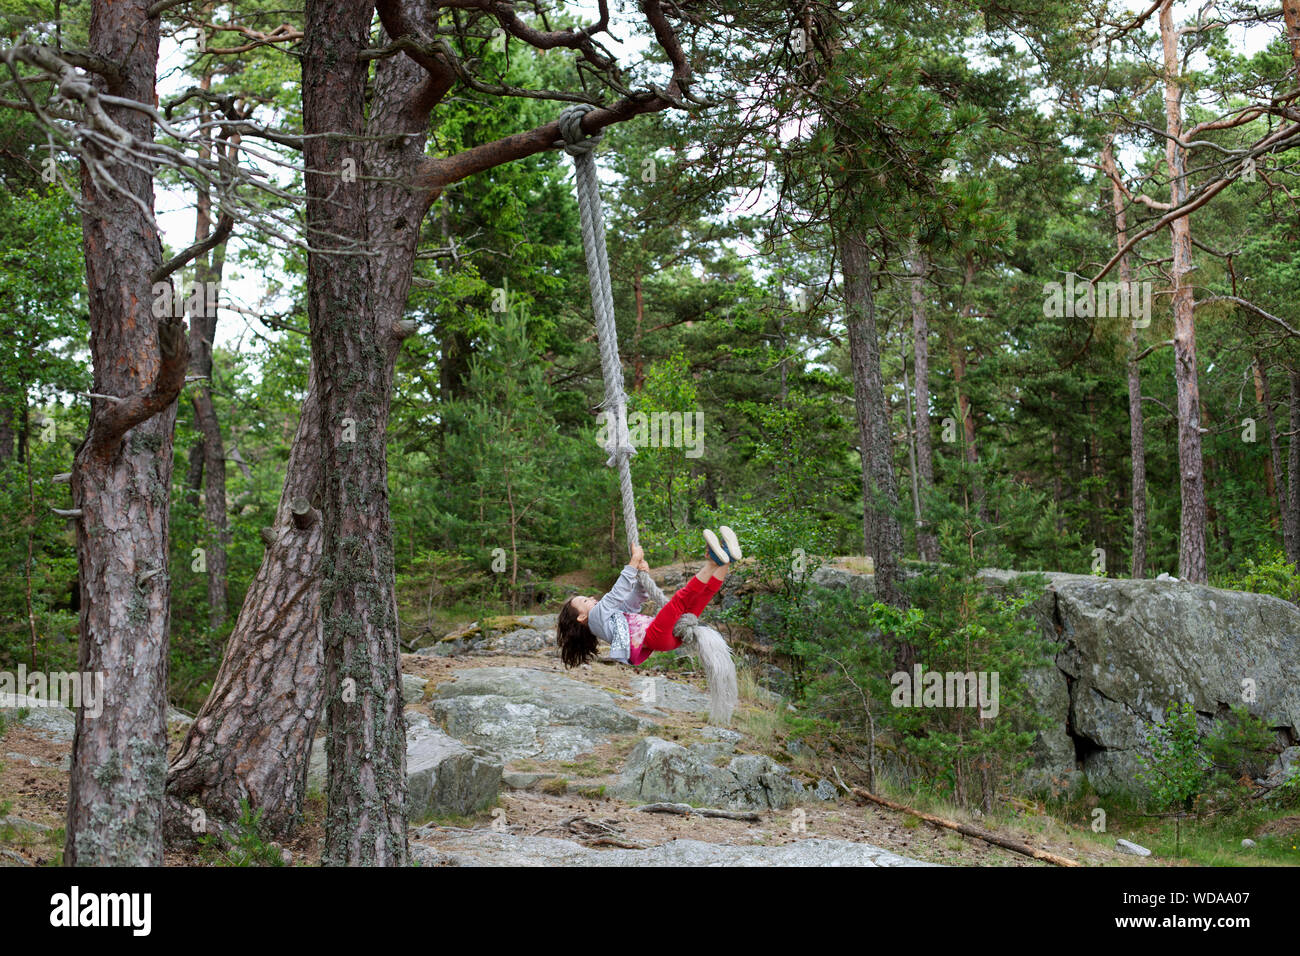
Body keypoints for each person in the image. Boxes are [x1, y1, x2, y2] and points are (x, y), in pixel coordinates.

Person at [557, 527, 742, 668]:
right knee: (681, 600)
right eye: (584, 601)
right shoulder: (596, 620)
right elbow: (614, 596)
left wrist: (641, 577)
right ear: (582, 618)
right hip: (656, 636)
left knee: (700, 599)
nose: (590, 597)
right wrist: (632, 563)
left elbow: (635, 599)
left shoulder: (615, 619)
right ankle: (712, 562)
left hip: (667, 637)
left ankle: (726, 561)